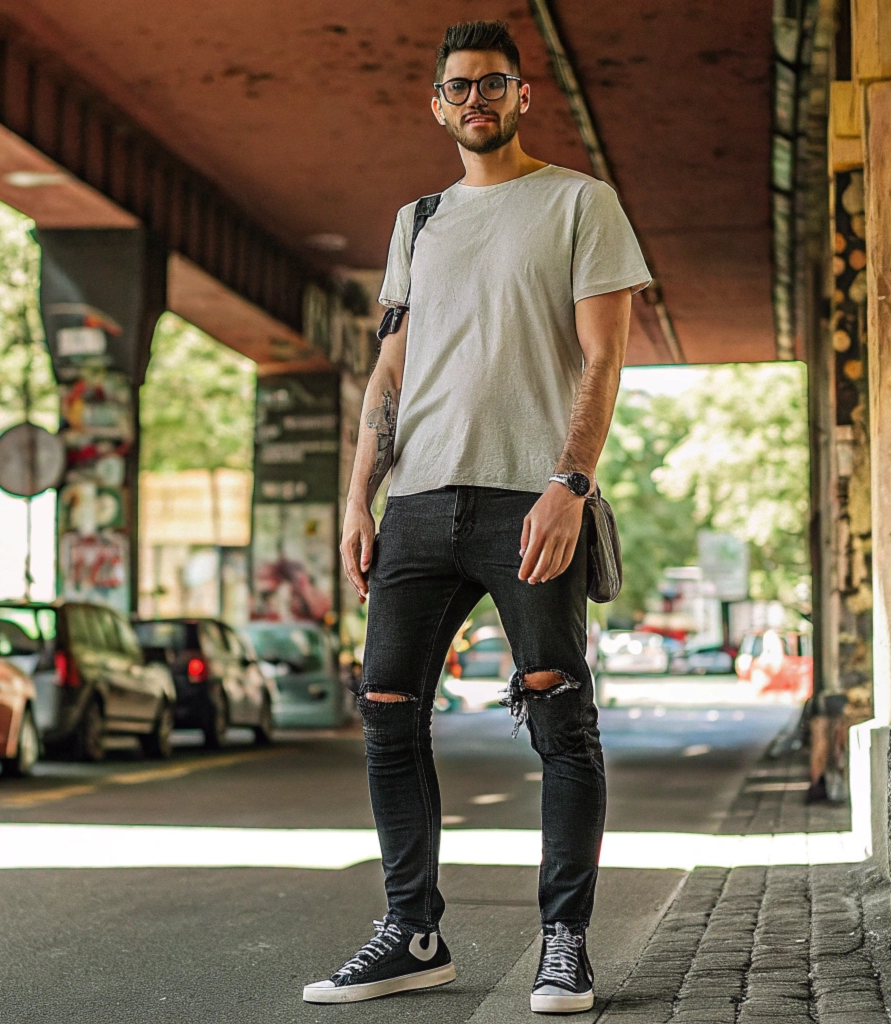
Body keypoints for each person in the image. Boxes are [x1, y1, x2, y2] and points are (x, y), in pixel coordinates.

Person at [302, 20, 649, 1015]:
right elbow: (391, 370)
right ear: (436, 103)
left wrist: (569, 484)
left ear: (522, 96)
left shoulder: (579, 204)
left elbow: (602, 357)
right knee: (385, 708)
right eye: (457, 87)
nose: (475, 100)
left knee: (556, 711)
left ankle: (563, 942)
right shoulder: (417, 222)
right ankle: (410, 931)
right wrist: (357, 495)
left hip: (525, 499)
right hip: (415, 498)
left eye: (492, 84)